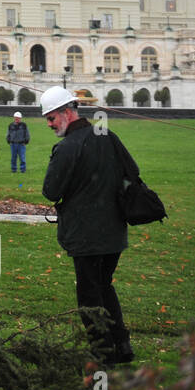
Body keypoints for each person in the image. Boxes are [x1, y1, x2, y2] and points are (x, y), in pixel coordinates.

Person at [39, 85, 136, 367]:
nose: (49, 124)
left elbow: (50, 191)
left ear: (67, 113)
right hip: (114, 232)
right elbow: (133, 173)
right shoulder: (108, 137)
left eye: (51, 118)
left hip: (86, 235)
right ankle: (121, 345)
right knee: (104, 287)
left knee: (90, 297)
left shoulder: (68, 147)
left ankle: (102, 353)